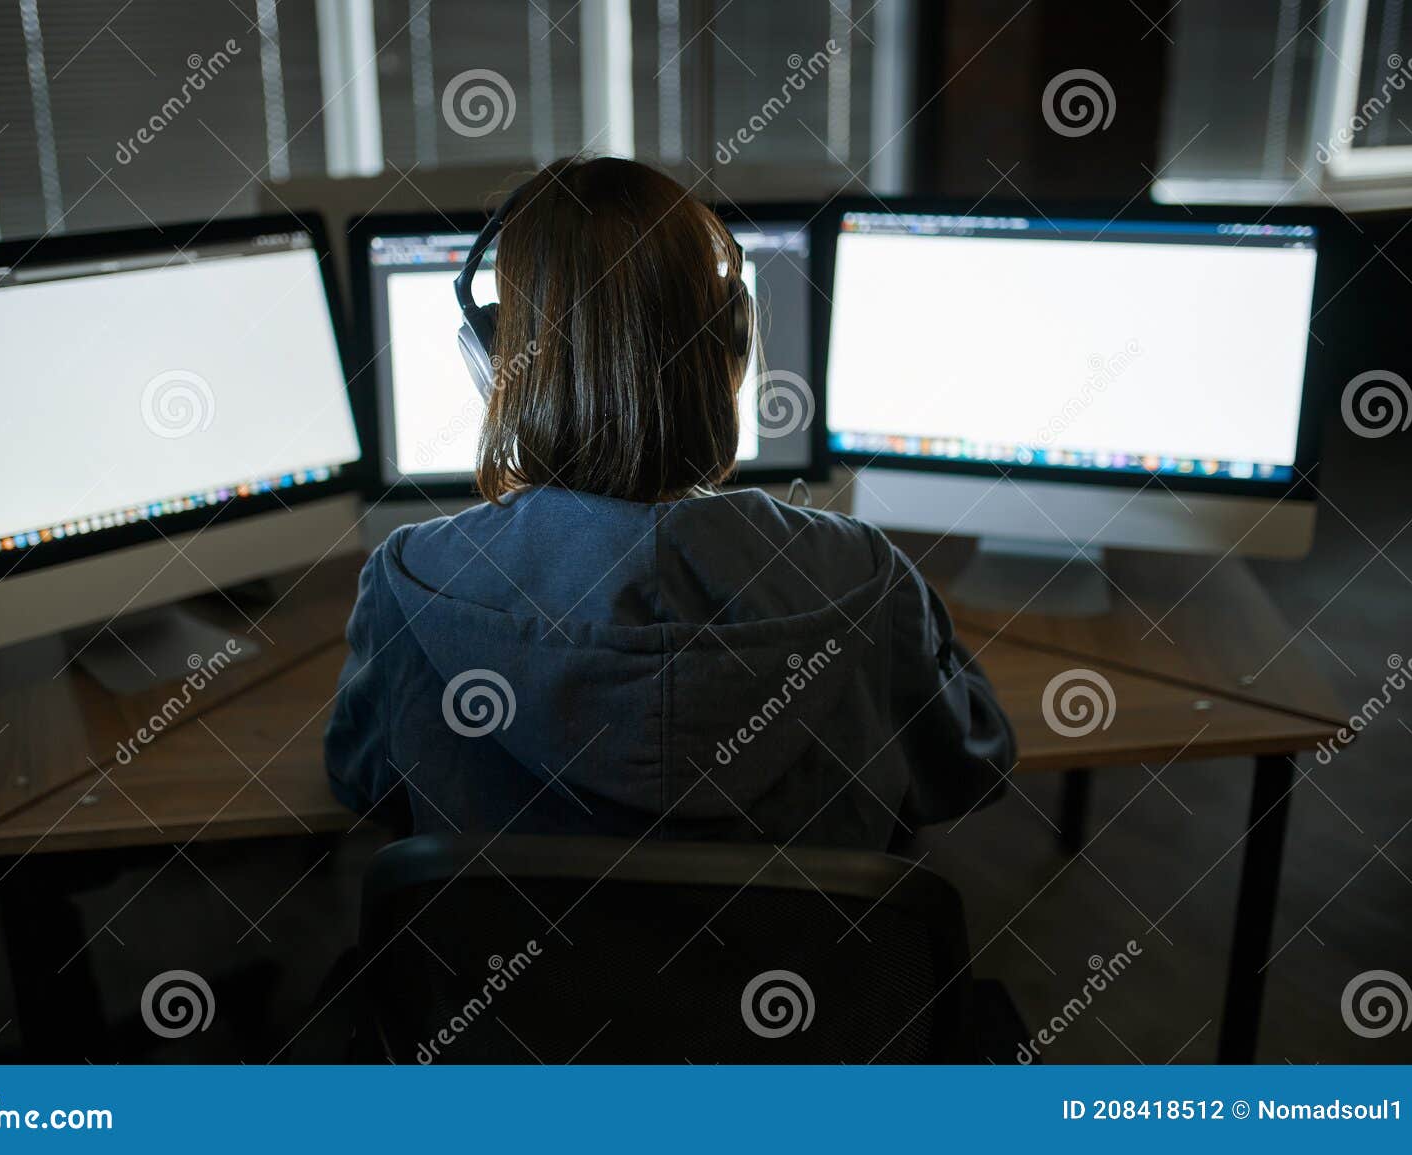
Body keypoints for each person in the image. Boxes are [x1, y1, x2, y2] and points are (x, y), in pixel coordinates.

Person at [325, 157, 1013, 850]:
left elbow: (362, 782)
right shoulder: (861, 571)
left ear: (492, 363)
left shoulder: (409, 580)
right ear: (733, 349)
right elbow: (969, 767)